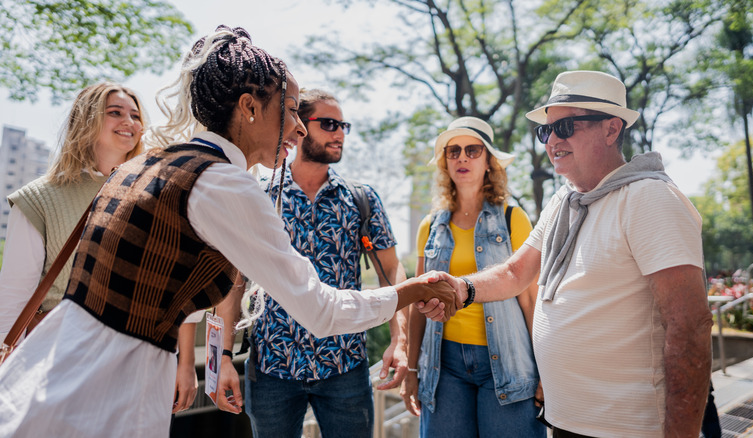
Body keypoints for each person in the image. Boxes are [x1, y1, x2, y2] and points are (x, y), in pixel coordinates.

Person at [0, 26, 459, 437]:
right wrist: (413, 290)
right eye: (291, 111)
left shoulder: (149, 163)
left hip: (44, 377)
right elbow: (319, 310)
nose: (299, 127)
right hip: (103, 397)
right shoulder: (223, 182)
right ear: (249, 108)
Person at [428, 71, 713, 437]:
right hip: (564, 423)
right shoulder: (565, 199)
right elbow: (516, 274)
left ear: (611, 130)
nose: (552, 141)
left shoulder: (649, 198)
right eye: (546, 131)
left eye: (565, 127)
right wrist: (461, 287)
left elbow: (689, 326)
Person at [0, 82, 202, 415]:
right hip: (60, 364)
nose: (130, 122)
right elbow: (13, 297)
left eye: (135, 115)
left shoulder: (157, 196)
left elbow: (176, 281)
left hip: (138, 363)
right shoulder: (39, 199)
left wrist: (184, 362)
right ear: (87, 120)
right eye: (115, 112)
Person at [241, 89, 409, 438]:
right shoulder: (259, 194)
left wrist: (400, 339)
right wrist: (223, 355)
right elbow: (233, 277)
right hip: (273, 365)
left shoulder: (361, 199)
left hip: (344, 365)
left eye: (343, 125)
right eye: (330, 124)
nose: (340, 134)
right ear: (299, 127)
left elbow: (391, 271)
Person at [401, 116, 546, 437]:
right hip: (444, 364)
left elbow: (530, 299)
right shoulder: (430, 226)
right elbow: (417, 303)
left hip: (507, 361)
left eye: (473, 150)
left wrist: (544, 372)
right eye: (453, 151)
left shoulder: (513, 218)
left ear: (489, 162)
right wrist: (412, 369)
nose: (462, 157)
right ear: (445, 163)